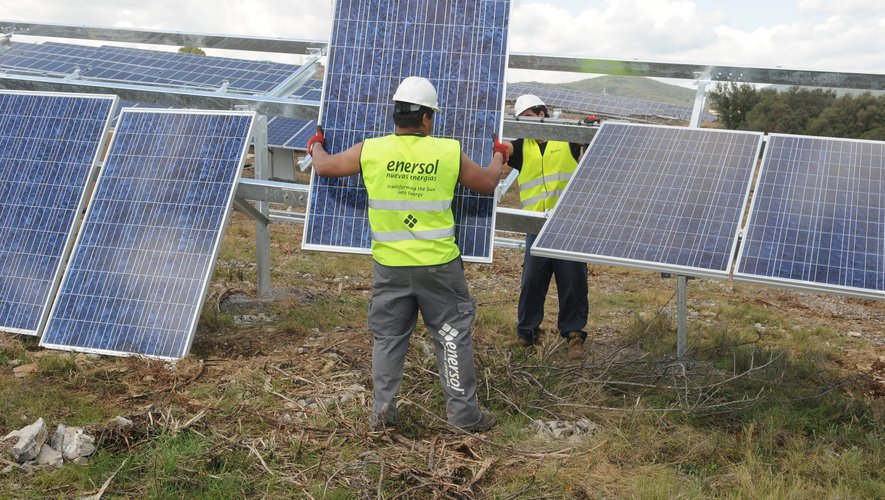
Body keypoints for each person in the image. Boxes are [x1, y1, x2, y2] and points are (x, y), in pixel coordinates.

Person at [307, 76, 507, 432]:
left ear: (395, 116)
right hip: (439, 267)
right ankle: (464, 418)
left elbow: (325, 167)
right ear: (427, 119)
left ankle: (382, 417)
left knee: (388, 340)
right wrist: (499, 155)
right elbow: (488, 183)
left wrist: (315, 146)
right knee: (450, 337)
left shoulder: (371, 150)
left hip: (390, 268)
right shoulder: (446, 151)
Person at [505, 94, 589, 360]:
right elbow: (503, 148)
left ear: (542, 114)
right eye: (522, 120)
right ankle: (526, 333)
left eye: (529, 117)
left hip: (567, 224)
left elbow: (588, 140)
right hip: (535, 226)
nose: (526, 123)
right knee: (532, 281)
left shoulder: (566, 139)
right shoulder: (521, 147)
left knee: (573, 280)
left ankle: (574, 334)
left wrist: (588, 128)